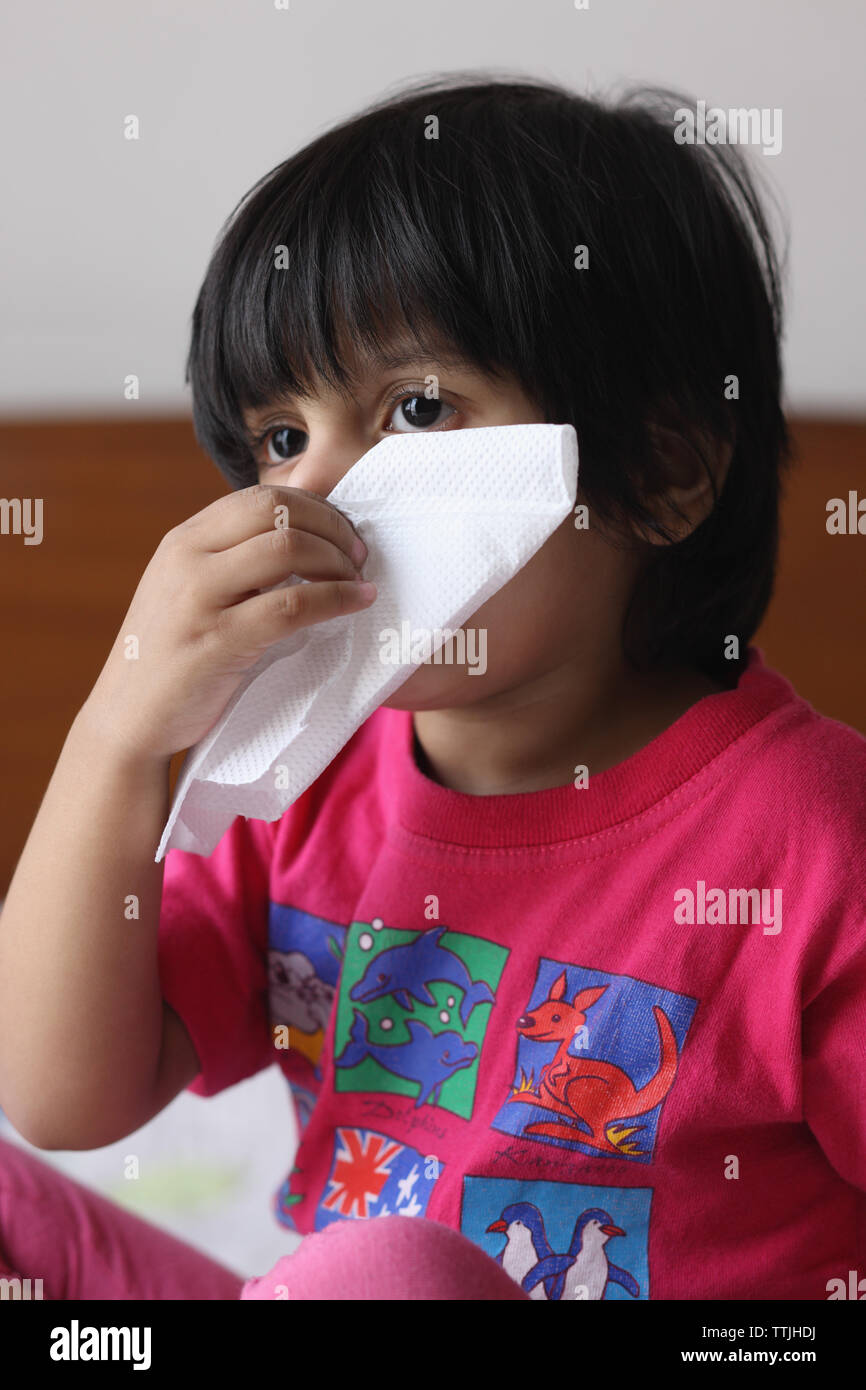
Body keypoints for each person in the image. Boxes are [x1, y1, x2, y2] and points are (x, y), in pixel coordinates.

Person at [1, 72, 863, 1302]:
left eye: (415, 408)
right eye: (281, 439)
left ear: (659, 474)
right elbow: (59, 1095)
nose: (315, 496)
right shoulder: (297, 779)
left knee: (386, 1273)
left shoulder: (812, 841)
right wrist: (122, 734)